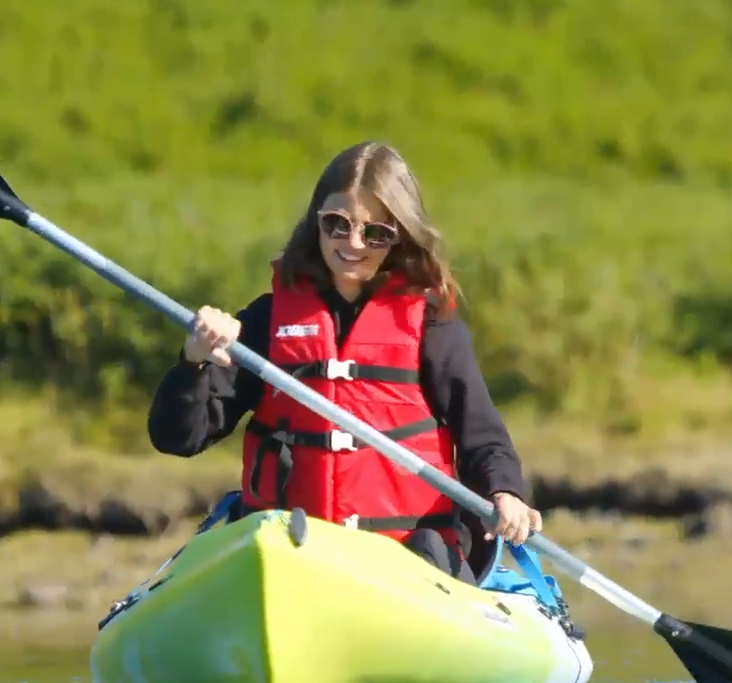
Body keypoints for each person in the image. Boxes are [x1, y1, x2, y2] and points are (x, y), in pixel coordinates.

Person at [145, 141, 543, 584]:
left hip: (403, 559)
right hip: (294, 556)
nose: (353, 244)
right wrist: (194, 362)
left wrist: (505, 492)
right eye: (337, 224)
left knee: (436, 549)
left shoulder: (431, 328)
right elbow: (177, 437)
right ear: (316, 222)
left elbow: (482, 436)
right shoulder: (268, 320)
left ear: (399, 237)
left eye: (375, 234)